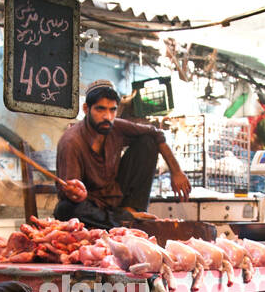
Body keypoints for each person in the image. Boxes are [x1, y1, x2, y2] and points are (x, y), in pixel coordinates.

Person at [54, 79, 192, 229]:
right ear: (86, 109)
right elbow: (70, 195)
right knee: (65, 209)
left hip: (116, 199)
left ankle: (131, 211)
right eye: (100, 109)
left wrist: (176, 171)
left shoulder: (114, 126)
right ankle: (126, 218)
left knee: (148, 141)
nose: (107, 116)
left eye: (112, 110)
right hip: (92, 206)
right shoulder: (72, 142)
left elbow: (156, 134)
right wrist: (74, 192)